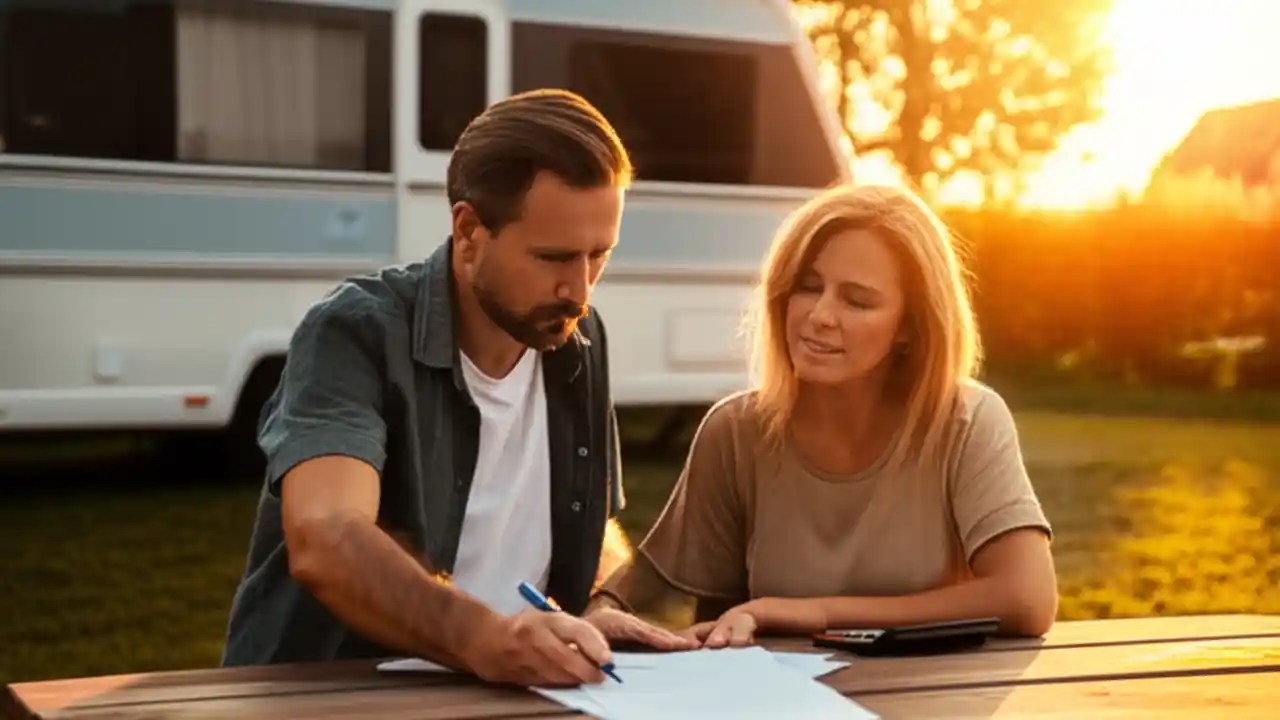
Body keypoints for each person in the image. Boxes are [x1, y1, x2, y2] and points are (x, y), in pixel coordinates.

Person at [221, 89, 693, 686]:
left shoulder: (579, 337)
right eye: (553, 258)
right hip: (340, 696)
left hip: (511, 692)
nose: (579, 290)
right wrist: (484, 639)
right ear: (468, 232)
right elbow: (327, 536)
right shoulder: (355, 332)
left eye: (599, 255)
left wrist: (601, 606)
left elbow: (589, 523)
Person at [599, 184, 1058, 647]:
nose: (819, 315)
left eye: (857, 301)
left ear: (909, 327)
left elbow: (1027, 598)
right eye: (809, 286)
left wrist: (811, 613)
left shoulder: (967, 421)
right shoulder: (736, 431)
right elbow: (651, 587)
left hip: (937, 686)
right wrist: (598, 610)